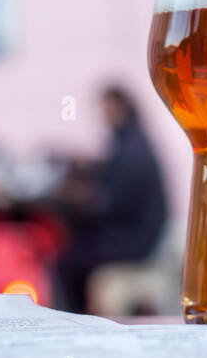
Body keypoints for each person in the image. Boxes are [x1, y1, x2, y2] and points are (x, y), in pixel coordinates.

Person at [55, 86, 167, 313]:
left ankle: (75, 319)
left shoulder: (132, 150)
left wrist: (80, 199)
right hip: (136, 235)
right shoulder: (131, 142)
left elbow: (115, 202)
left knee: (68, 262)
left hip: (134, 241)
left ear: (119, 107)